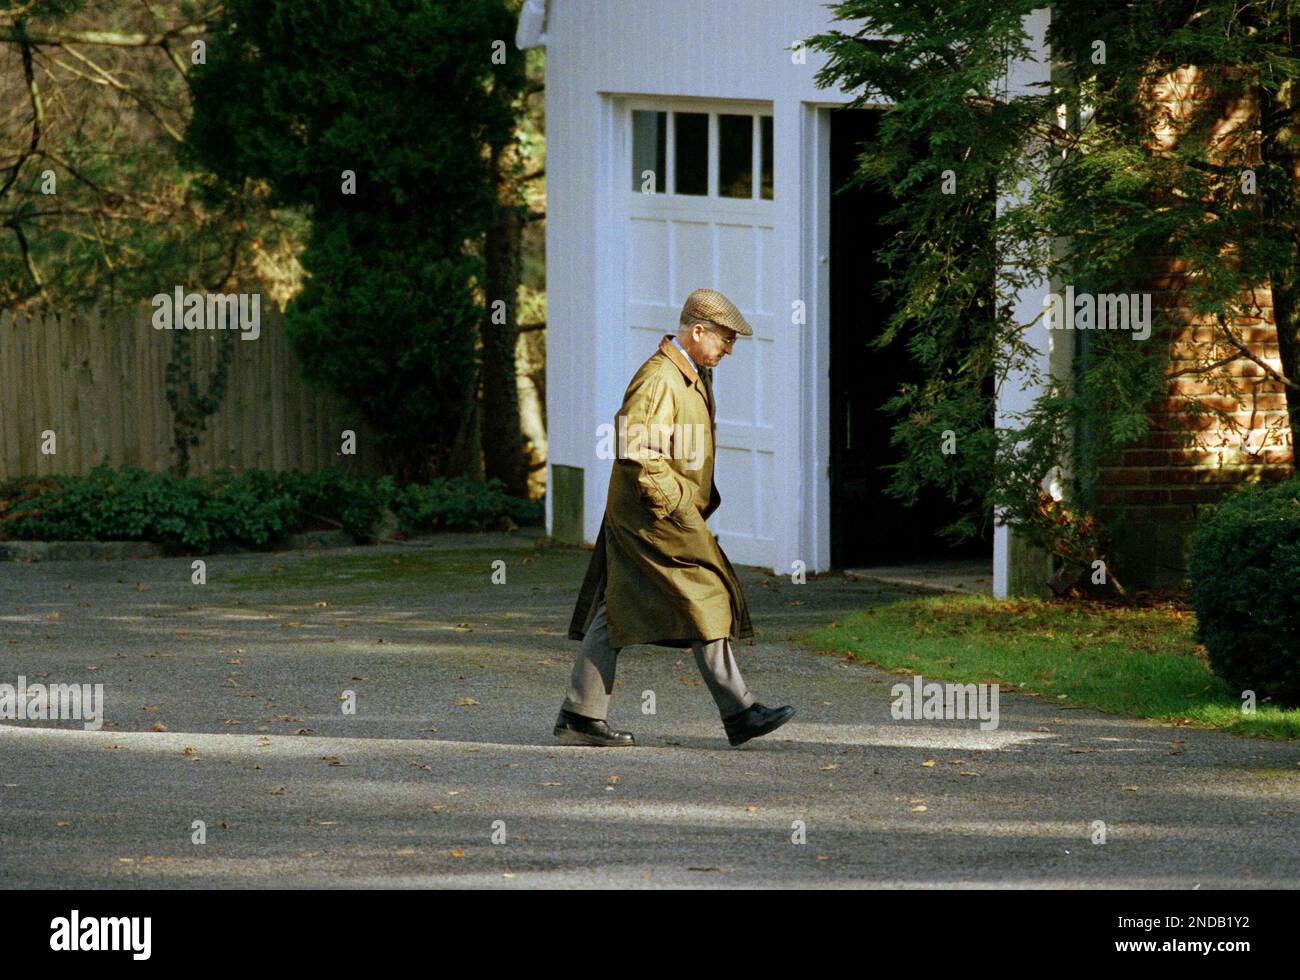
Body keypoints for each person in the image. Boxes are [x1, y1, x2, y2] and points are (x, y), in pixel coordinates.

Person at [554, 287, 795, 748]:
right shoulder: (661, 377)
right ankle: (740, 712)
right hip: (653, 516)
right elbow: (636, 449)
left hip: (651, 513)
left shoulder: (691, 373)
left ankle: (579, 716)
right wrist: (679, 503)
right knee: (706, 594)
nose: (728, 349)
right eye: (724, 339)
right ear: (697, 330)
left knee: (617, 607)